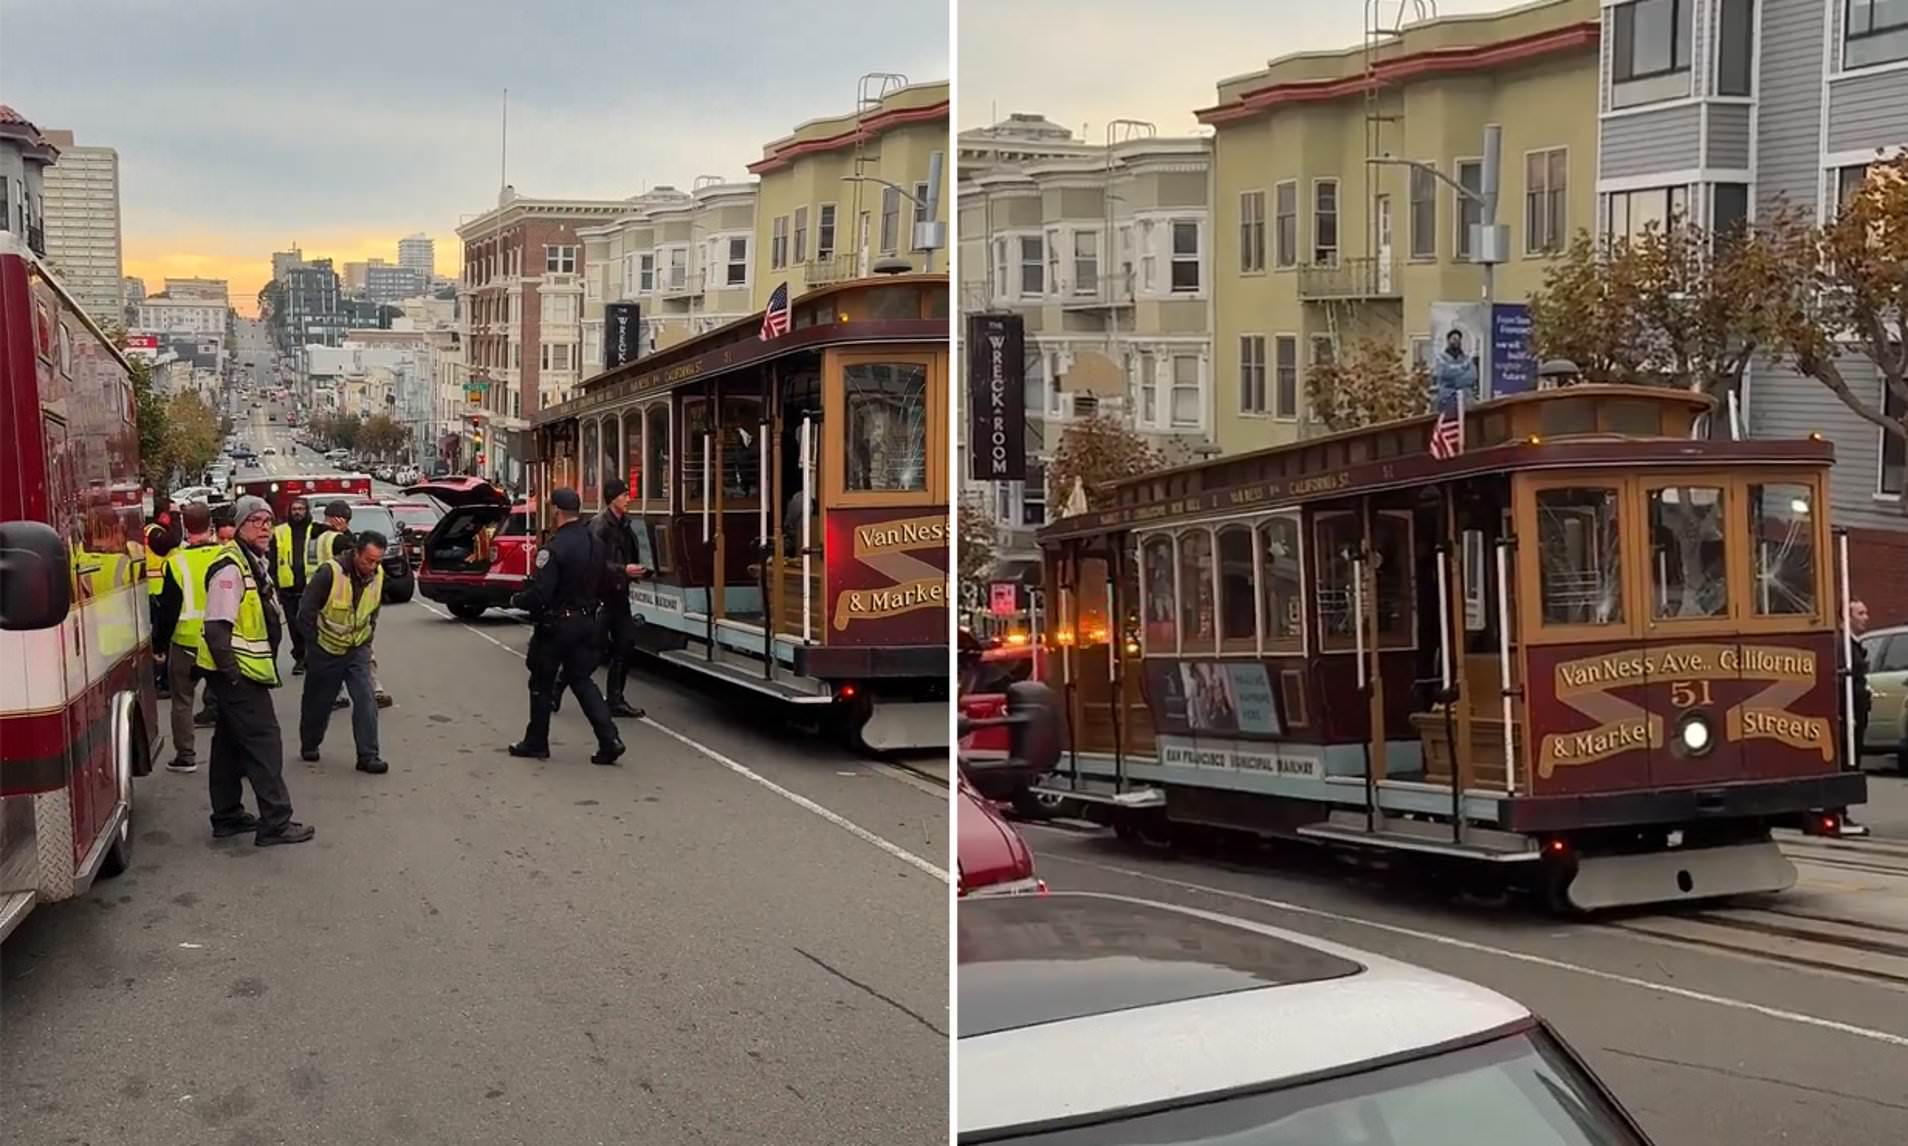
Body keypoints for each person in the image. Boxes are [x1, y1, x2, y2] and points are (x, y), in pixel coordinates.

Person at [194, 495, 313, 846]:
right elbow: (217, 627)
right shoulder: (231, 567)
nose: (264, 528)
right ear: (240, 526)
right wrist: (231, 674)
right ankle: (276, 822)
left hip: (241, 672)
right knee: (265, 743)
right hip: (238, 674)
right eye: (256, 521)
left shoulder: (252, 561)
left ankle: (227, 816)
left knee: (229, 746)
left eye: (268, 521)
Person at [508, 487, 624, 765]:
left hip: (557, 626)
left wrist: (517, 599)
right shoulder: (595, 542)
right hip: (587, 621)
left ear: (556, 511)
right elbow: (606, 579)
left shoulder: (554, 548)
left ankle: (536, 742)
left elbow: (542, 594)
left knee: (541, 681)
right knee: (582, 680)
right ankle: (610, 739)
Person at [297, 529, 390, 774]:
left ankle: (368, 756)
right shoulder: (330, 573)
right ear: (356, 552)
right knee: (319, 702)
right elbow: (305, 612)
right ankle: (310, 743)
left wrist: (367, 638)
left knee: (366, 700)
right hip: (326, 649)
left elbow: (373, 611)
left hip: (357, 648)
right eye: (369, 560)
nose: (373, 566)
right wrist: (314, 645)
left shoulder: (378, 575)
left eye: (377, 561)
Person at [152, 502, 224, 773]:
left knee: (182, 701)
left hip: (186, 644)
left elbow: (168, 610)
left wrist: (159, 645)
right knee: (229, 699)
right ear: (211, 526)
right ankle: (234, 754)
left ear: (184, 527)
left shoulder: (176, 562)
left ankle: (186, 755)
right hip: (221, 641)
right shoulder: (227, 555)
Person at [313, 501, 393, 709]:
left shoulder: (317, 537)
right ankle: (373, 689)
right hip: (345, 596)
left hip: (325, 600)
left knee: (332, 653)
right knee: (361, 649)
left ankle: (334, 694)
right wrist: (346, 531)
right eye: (345, 519)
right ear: (337, 519)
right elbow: (356, 553)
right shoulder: (338, 539)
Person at [589, 478, 649, 719]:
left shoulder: (624, 525)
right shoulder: (599, 525)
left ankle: (615, 699)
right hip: (602, 596)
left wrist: (639, 572)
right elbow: (594, 563)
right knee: (592, 649)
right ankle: (558, 687)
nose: (628, 499)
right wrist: (622, 570)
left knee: (625, 644)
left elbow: (627, 555)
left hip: (619, 594)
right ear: (613, 498)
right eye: (624, 495)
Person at [1833, 599, 1873, 837]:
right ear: (1847, 618)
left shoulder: (1854, 646)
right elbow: (1841, 681)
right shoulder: (1843, 646)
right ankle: (1838, 812)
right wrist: (1846, 712)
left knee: (1852, 761)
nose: (1866, 617)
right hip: (1848, 715)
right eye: (1860, 613)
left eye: (1865, 612)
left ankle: (1841, 810)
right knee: (1845, 763)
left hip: (1857, 714)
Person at [271, 498, 320, 675]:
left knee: (310, 625)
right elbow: (273, 560)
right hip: (288, 588)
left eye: (301, 509)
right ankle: (300, 658)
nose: (297, 512)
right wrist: (274, 584)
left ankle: (310, 657)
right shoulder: (280, 531)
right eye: (294, 509)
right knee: (294, 627)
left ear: (307, 511)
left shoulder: (315, 530)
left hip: (311, 587)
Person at [1430, 327, 1478, 410]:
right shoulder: (1441, 359)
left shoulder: (1466, 359)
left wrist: (1454, 376)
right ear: (1448, 340)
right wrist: (1461, 374)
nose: (1457, 341)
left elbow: (1472, 376)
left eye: (1459, 339)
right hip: (1447, 399)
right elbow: (1442, 375)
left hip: (1465, 400)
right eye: (1454, 338)